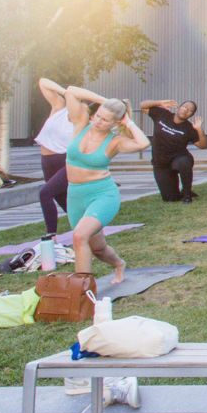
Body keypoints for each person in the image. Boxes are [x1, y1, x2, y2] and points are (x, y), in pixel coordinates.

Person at [61, 86, 150, 286]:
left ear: (115, 123)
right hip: (75, 195)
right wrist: (105, 100)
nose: (98, 121)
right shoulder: (81, 123)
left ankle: (82, 291)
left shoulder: (115, 141)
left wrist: (128, 121)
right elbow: (71, 91)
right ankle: (119, 264)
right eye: (98, 116)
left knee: (79, 236)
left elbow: (143, 143)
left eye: (104, 120)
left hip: (102, 195)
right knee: (98, 247)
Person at [33, 77, 78, 241]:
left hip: (65, 162)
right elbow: (43, 82)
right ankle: (85, 226)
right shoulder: (59, 108)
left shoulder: (79, 119)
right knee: (62, 199)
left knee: (45, 193)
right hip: (47, 163)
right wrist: (65, 92)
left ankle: (50, 234)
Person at [140, 98, 207, 202]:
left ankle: (187, 194)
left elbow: (203, 146)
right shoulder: (163, 114)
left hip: (179, 159)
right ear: (179, 107)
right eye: (185, 107)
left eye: (189, 110)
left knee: (183, 162)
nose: (186, 110)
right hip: (161, 164)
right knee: (170, 199)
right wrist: (159, 102)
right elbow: (143, 105)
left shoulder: (189, 128)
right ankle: (178, 193)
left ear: (191, 115)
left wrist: (199, 130)